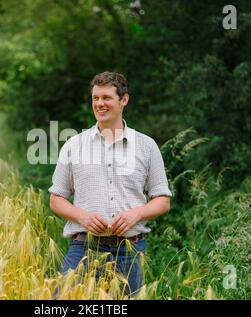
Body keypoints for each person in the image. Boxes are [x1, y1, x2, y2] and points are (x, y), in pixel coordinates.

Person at [49, 71, 172, 296]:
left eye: (106, 98)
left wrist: (136, 214)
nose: (99, 104)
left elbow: (162, 200)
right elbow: (56, 199)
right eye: (95, 98)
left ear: (124, 100)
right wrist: (81, 217)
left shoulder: (146, 146)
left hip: (129, 250)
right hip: (83, 248)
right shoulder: (74, 145)